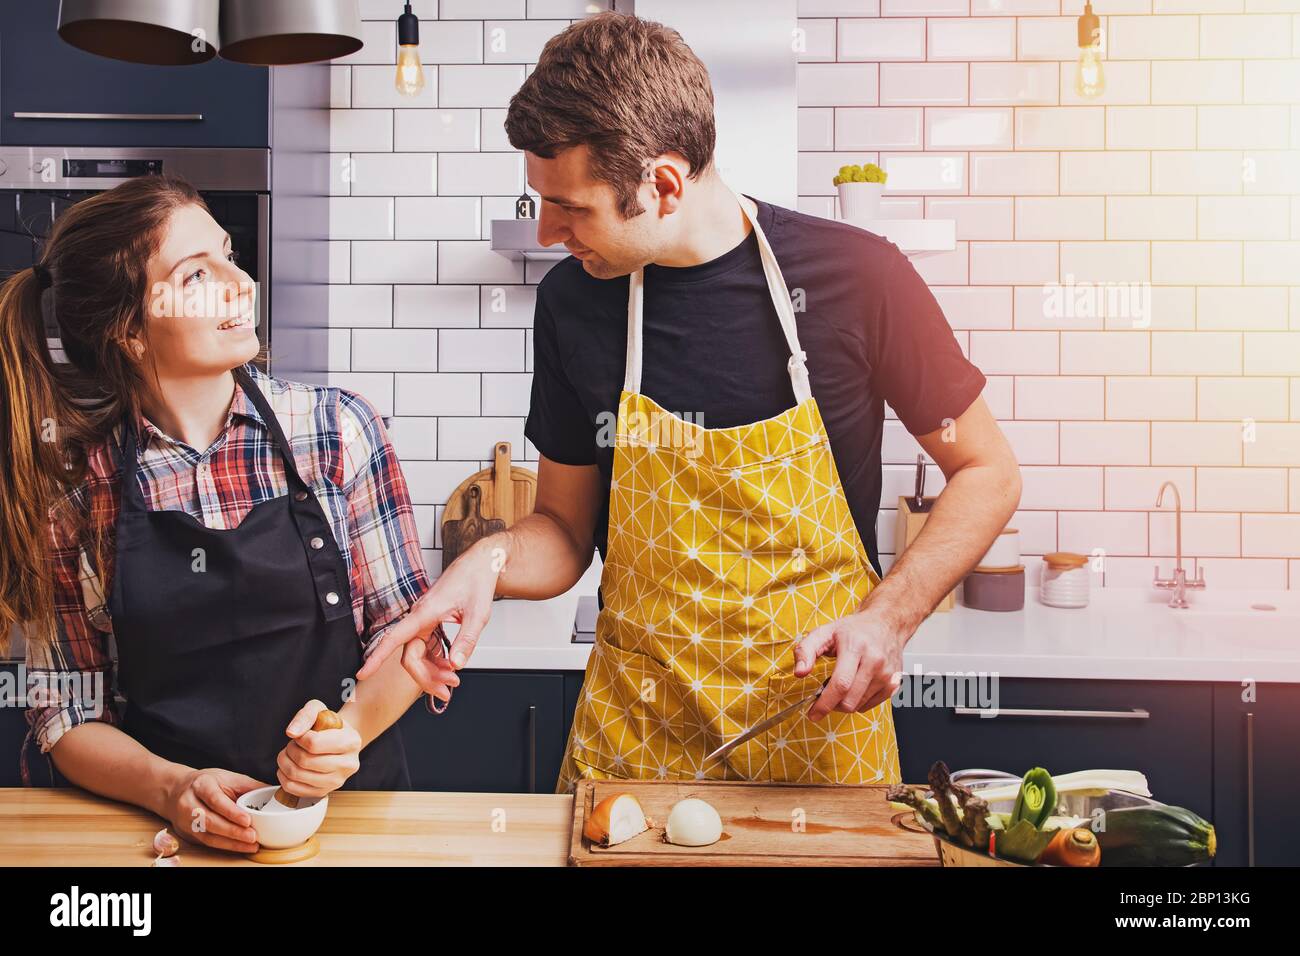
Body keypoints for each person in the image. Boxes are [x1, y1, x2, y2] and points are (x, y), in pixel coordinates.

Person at [360, 12, 1021, 791]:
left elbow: (987, 470)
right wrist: (486, 563)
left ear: (663, 183)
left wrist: (890, 616)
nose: (547, 233)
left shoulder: (860, 277)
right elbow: (567, 530)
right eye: (540, 202)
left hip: (816, 733)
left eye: (571, 207)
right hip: (636, 742)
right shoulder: (575, 303)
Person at [0, 174, 436, 853]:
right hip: (171, 841)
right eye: (198, 273)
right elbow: (67, 713)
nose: (243, 284)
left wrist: (345, 731)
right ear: (129, 331)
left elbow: (410, 634)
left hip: (351, 830)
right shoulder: (77, 495)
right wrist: (172, 788)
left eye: (230, 255)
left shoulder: (337, 432)